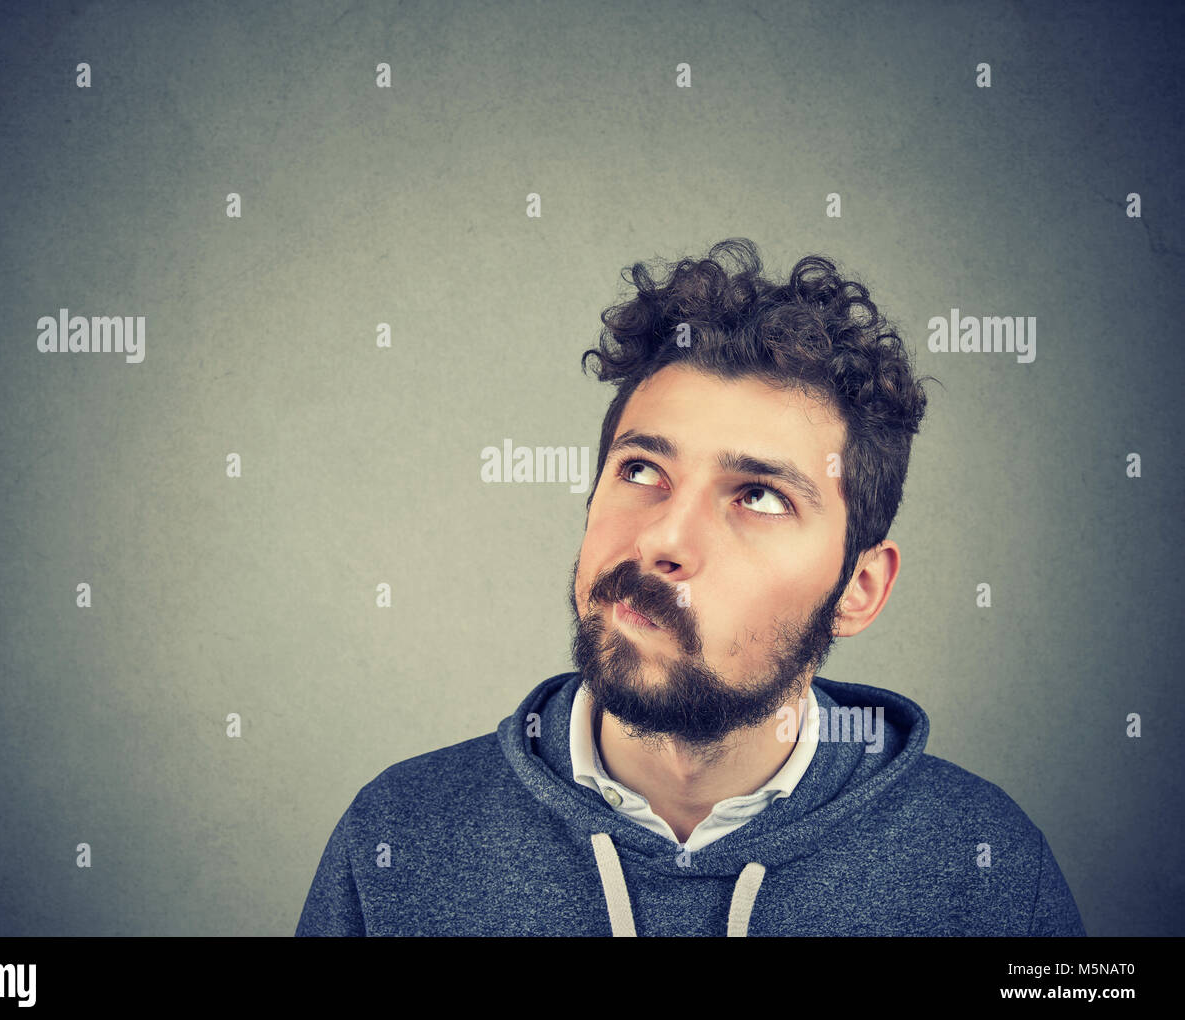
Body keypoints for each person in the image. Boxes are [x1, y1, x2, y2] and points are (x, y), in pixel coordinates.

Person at [294, 238, 1085, 937]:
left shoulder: (988, 872)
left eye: (759, 496)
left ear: (859, 588)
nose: (666, 538)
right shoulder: (399, 839)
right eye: (642, 470)